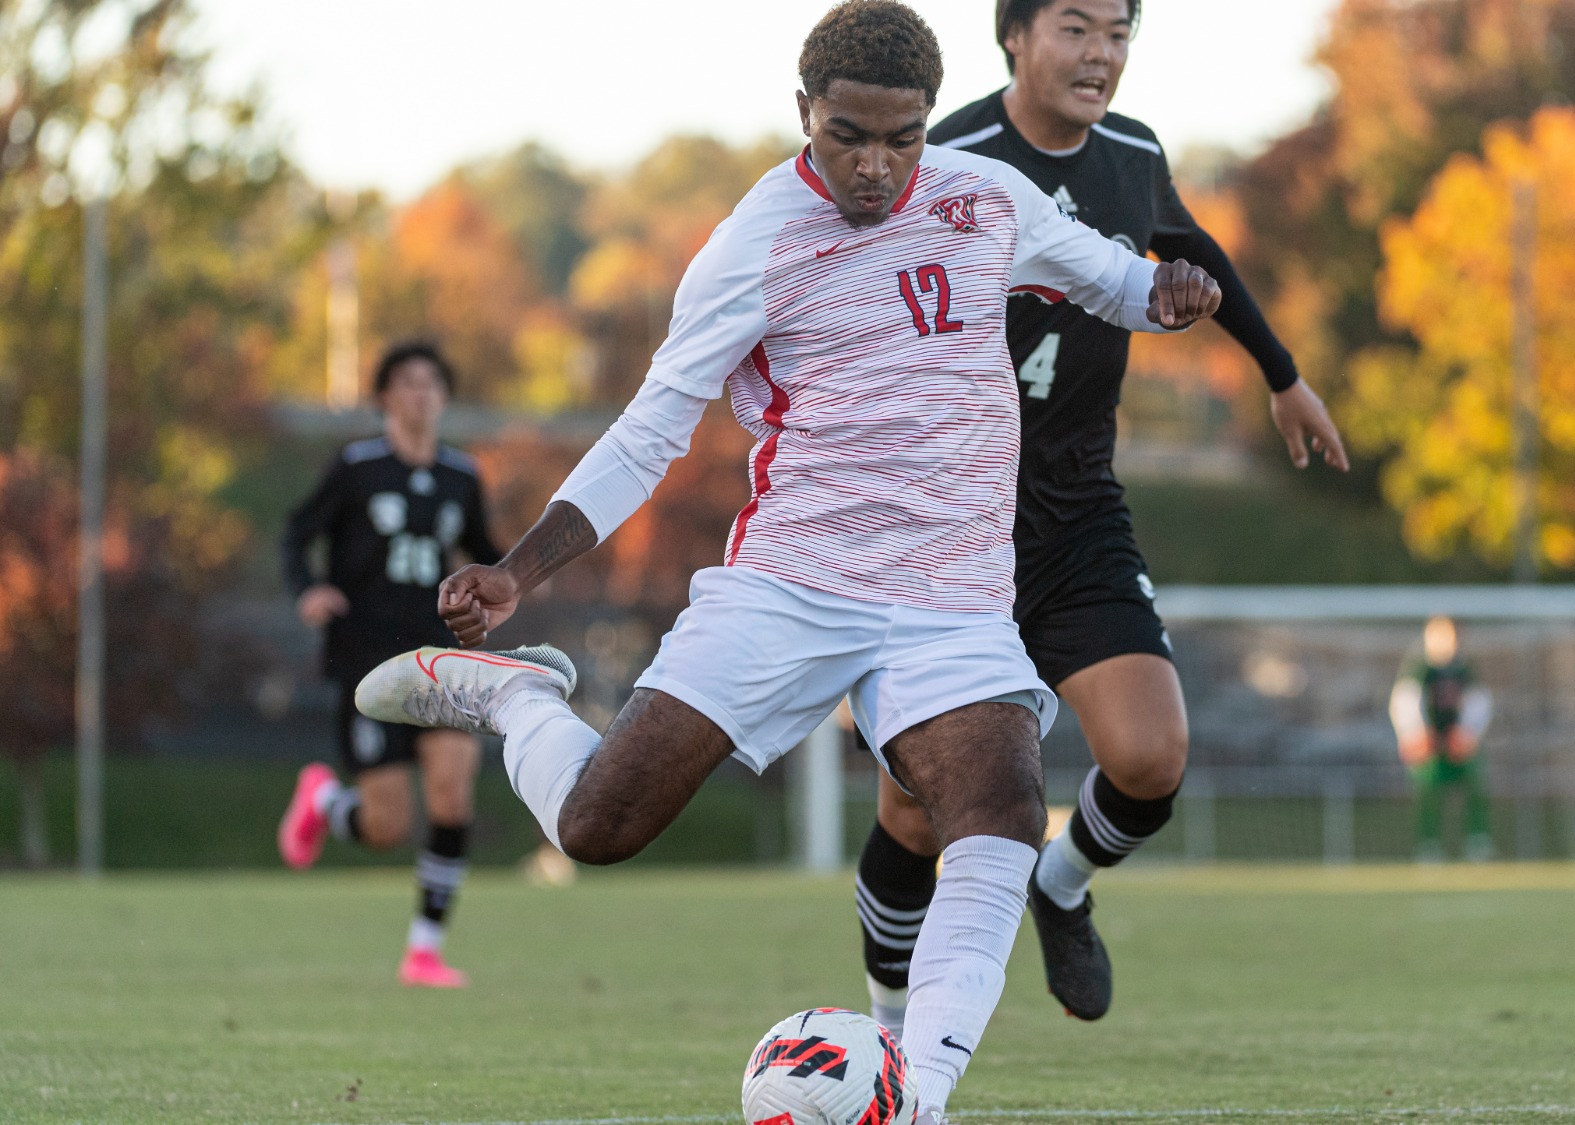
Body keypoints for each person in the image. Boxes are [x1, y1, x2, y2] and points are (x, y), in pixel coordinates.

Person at [352, 4, 1221, 1120]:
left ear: (927, 125)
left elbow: (1113, 282)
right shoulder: (753, 244)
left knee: (1000, 813)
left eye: (900, 138)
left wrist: (1171, 296)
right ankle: (521, 706)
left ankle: (919, 1097)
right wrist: (520, 570)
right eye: (846, 135)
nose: (873, 165)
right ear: (801, 111)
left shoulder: (984, 197)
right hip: (792, 581)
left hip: (951, 592)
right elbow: (651, 429)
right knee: (597, 830)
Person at [852, 0, 1349, 1034]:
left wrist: (1281, 375)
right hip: (947, 530)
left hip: (1076, 514)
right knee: (916, 806)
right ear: (1015, 39)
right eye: (1075, 28)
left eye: (1118, 33)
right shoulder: (945, 162)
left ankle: (1060, 885)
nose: (1100, 54)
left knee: (1149, 759)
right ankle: (883, 1033)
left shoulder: (1130, 153)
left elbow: (1187, 241)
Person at [275, 340, 502, 987]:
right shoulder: (356, 466)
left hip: (437, 662)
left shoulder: (463, 475)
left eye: (432, 382)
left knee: (454, 789)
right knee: (386, 825)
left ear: (444, 397)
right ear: (384, 398)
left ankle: (424, 949)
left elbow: (486, 550)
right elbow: (297, 531)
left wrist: (510, 580)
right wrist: (308, 587)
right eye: (407, 382)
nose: (421, 393)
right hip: (366, 663)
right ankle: (325, 799)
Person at [1388, 616, 1493, 863]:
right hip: (1429, 744)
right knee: (1427, 793)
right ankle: (1429, 845)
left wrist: (1467, 732)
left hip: (1458, 742)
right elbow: (1405, 701)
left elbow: (1480, 703)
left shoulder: (1465, 670)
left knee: (1474, 787)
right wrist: (1415, 734)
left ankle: (1477, 842)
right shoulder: (1419, 669)